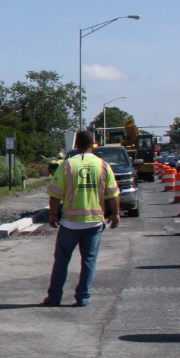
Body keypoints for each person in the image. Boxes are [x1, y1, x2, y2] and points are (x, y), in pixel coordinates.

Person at [44, 129, 120, 307]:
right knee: (89, 261)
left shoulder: (67, 165)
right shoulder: (103, 165)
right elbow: (113, 194)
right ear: (93, 144)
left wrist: (52, 214)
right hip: (94, 222)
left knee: (62, 260)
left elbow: (55, 194)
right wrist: (116, 214)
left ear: (76, 144)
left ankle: (54, 297)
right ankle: (83, 297)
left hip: (70, 222)